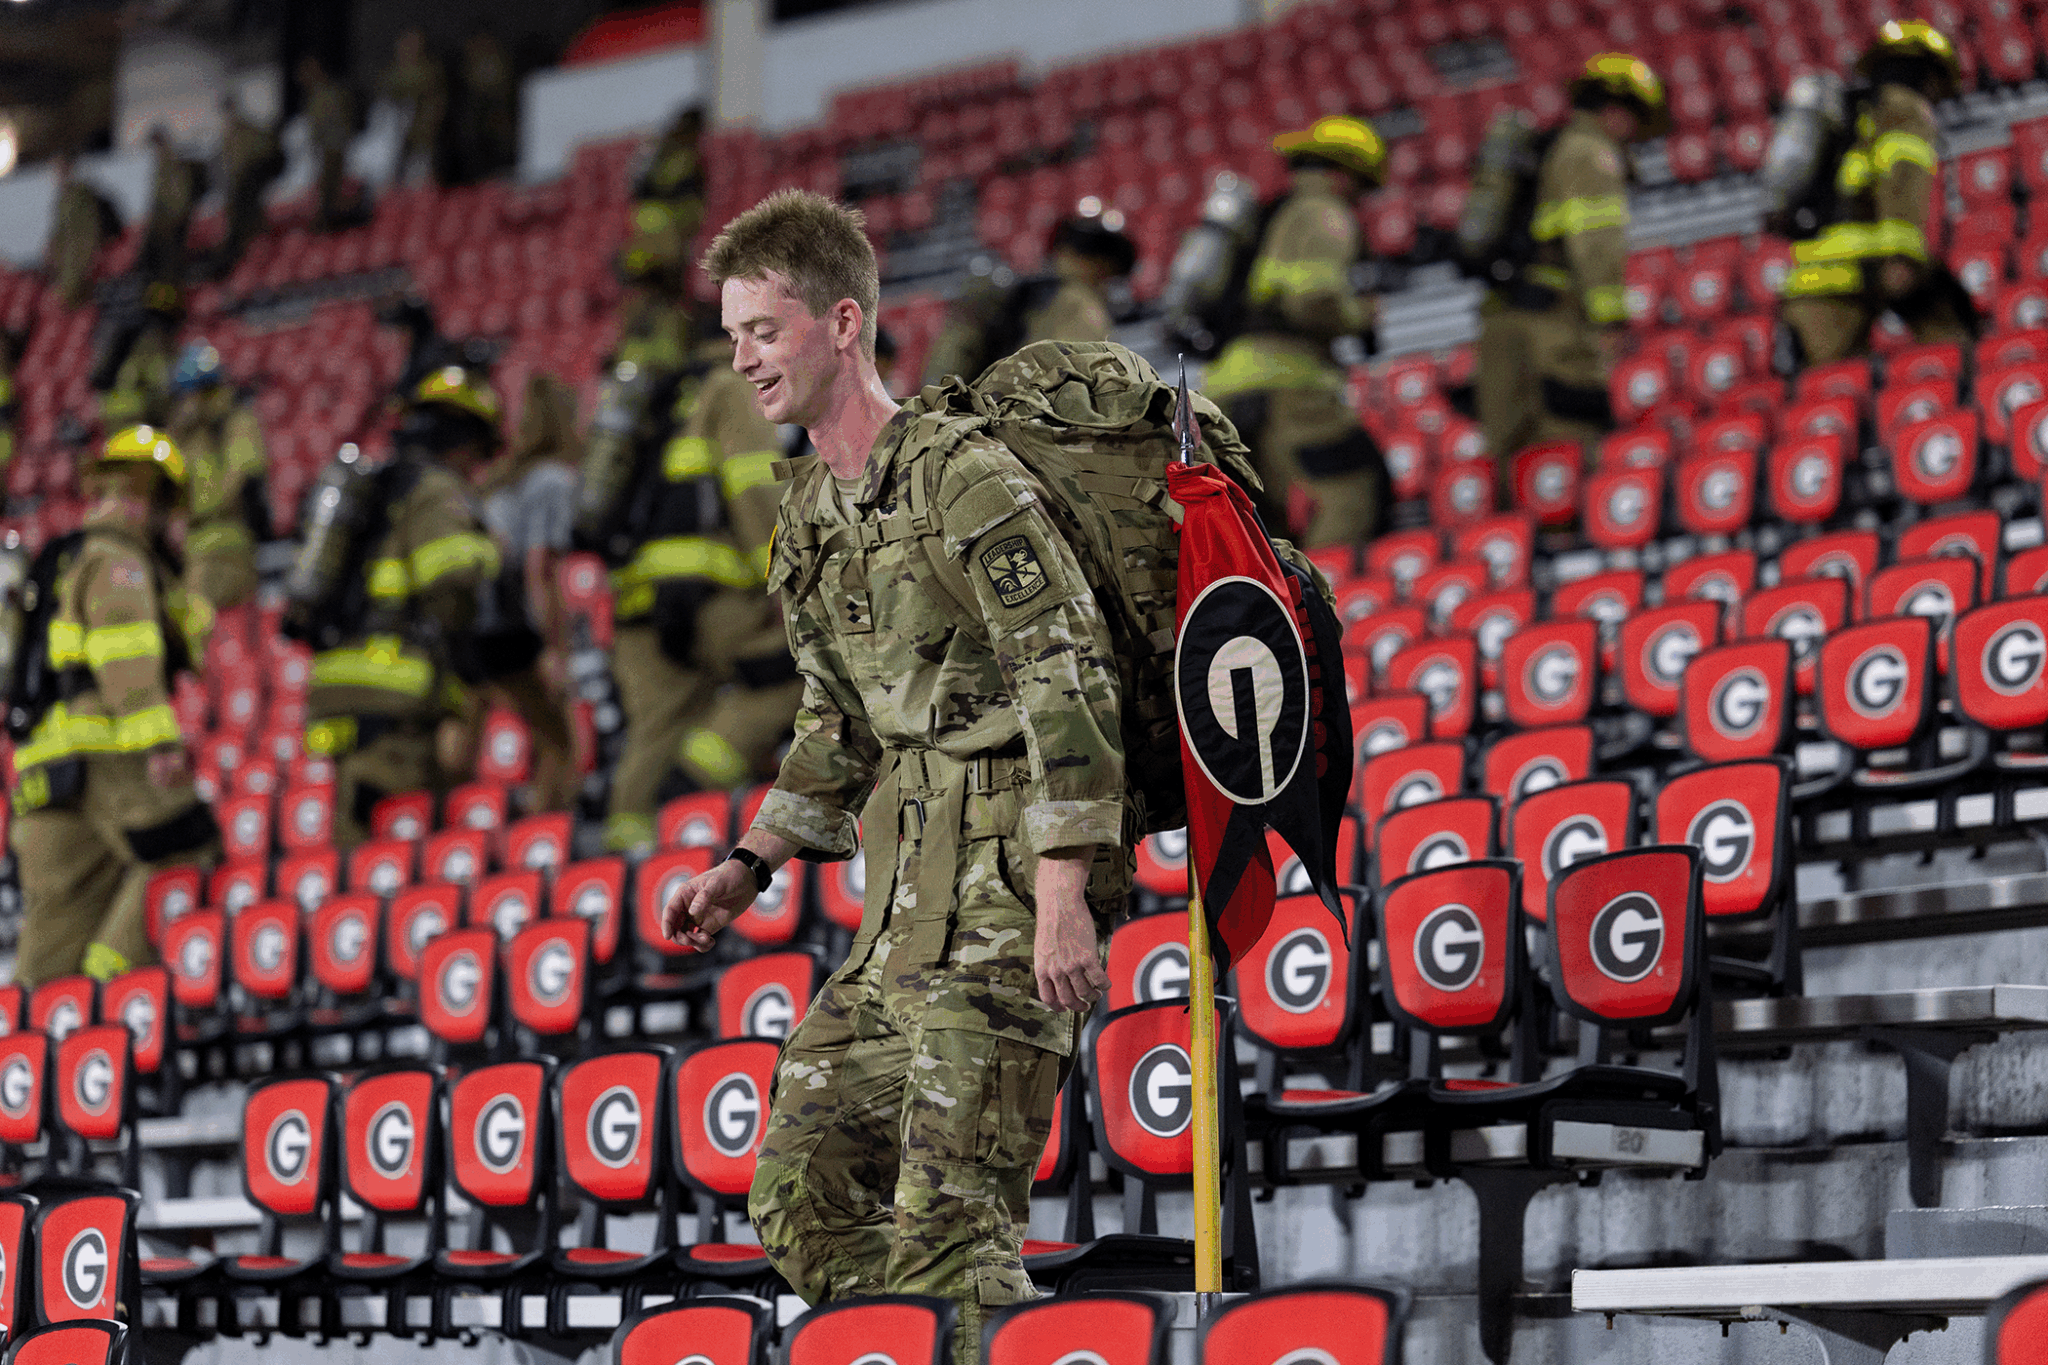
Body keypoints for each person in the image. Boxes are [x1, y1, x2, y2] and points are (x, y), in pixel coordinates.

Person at [662, 190, 1120, 1365]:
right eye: (731, 335)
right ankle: (960, 1345)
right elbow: (834, 717)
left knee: (951, 1221)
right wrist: (747, 864)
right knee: (797, 1189)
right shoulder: (808, 513)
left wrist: (1066, 889)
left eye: (764, 330)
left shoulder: (959, 475)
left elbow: (1064, 671)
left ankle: (963, 1334)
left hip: (1013, 888)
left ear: (844, 325)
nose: (742, 358)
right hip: (900, 908)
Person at [300, 368, 567, 846]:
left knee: (358, 811)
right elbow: (452, 578)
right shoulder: (437, 490)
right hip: (394, 685)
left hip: (342, 680)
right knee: (390, 827)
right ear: (467, 442)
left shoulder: (383, 489)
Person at [11, 427, 217, 986]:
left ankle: (33, 1047)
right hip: (106, 751)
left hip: (41, 767)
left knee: (60, 916)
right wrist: (159, 743)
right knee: (187, 843)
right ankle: (114, 993)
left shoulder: (56, 560)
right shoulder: (117, 560)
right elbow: (124, 654)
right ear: (153, 498)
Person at [602, 328, 801, 851]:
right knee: (807, 669)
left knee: (652, 735)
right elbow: (754, 487)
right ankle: (687, 792)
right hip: (709, 599)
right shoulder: (733, 389)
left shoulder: (662, 399)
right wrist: (789, 580)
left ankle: (626, 875)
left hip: (637, 604)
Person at [1201, 114, 1387, 549]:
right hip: (1291, 383)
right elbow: (1313, 300)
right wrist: (1361, 316)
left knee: (1262, 528)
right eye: (1362, 187)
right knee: (1354, 493)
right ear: (1344, 175)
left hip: (1226, 387)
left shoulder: (1270, 217)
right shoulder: (1324, 212)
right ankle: (1328, 603)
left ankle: (1285, 612)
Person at [1475, 53, 1666, 465]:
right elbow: (1596, 246)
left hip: (1504, 316)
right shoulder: (1591, 154)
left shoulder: (1553, 149)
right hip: (1554, 323)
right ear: (1618, 112)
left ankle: (1518, 531)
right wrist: (1611, 320)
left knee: (1513, 452)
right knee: (1573, 444)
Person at [1779, 21, 1970, 365]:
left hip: (1811, 274)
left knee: (1830, 389)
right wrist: (1902, 255)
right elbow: (1902, 179)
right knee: (1955, 342)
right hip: (1875, 257)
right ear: (1931, 75)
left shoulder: (1847, 113)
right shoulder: (1904, 108)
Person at [478, 373, 583, 811]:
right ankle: (550, 839)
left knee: (471, 736)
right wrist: (553, 648)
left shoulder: (498, 482)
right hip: (512, 626)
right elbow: (539, 568)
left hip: (473, 623)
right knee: (563, 742)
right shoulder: (553, 480)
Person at [921, 206, 1137, 387]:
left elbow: (944, 374)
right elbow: (1065, 382)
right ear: (1104, 265)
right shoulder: (1080, 303)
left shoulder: (1024, 290)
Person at [166, 340, 267, 613]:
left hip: (222, 539)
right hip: (198, 544)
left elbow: (237, 480)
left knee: (199, 628)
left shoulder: (236, 424)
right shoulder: (187, 435)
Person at [215, 94, 282, 272]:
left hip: (250, 179)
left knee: (244, 213)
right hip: (242, 183)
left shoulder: (245, 130)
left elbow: (262, 152)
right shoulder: (229, 135)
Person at [138, 126, 201, 293]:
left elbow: (178, 199)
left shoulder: (173, 165)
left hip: (171, 226)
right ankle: (160, 305)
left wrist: (169, 222)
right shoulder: (162, 165)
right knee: (156, 269)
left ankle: (167, 307)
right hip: (164, 225)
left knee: (168, 271)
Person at [383, 28, 448, 188]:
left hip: (421, 143)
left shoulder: (430, 72)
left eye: (412, 45)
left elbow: (435, 105)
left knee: (418, 184)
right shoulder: (391, 74)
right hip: (392, 142)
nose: (407, 49)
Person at [48, 154, 113, 311]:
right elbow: (60, 232)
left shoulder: (82, 196)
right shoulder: (63, 199)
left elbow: (87, 231)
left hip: (82, 259)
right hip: (70, 261)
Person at [300, 56, 356, 231]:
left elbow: (342, 123)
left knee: (334, 191)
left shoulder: (333, 94)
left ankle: (335, 224)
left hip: (335, 149)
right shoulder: (313, 97)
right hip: (323, 151)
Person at [455, 32, 518, 184]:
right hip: (473, 176)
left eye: (487, 54)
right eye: (476, 57)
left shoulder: (513, 106)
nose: (484, 67)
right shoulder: (465, 110)